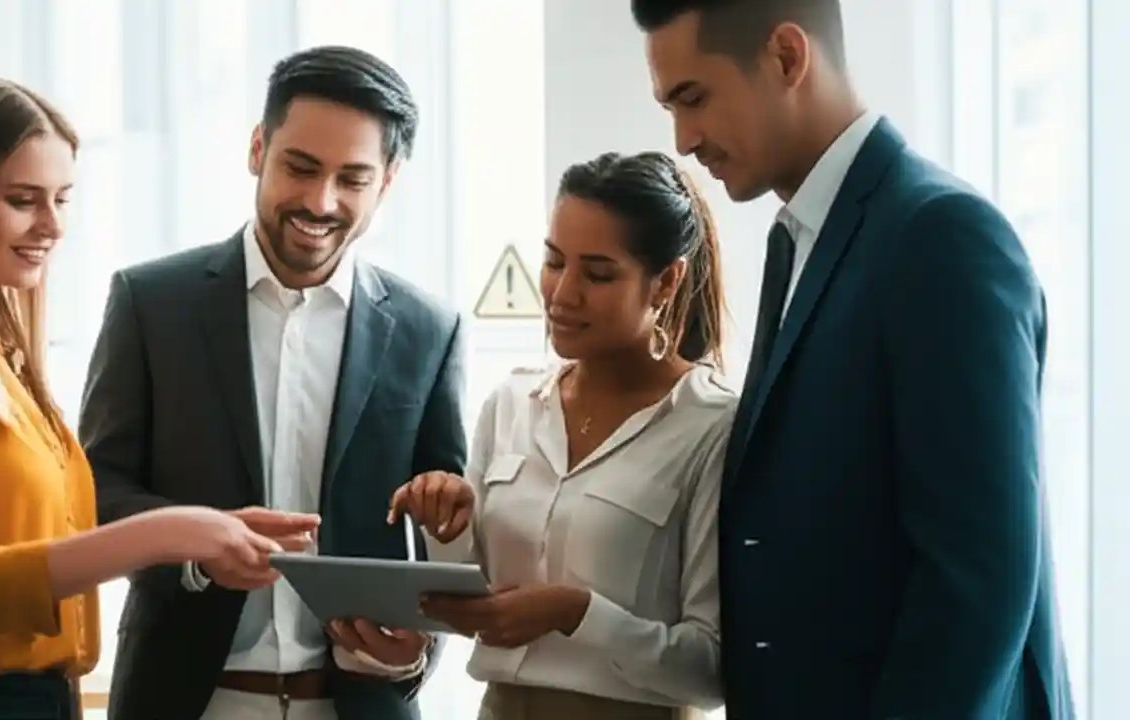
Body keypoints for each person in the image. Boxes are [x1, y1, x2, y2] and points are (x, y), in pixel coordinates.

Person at [629, 1, 1075, 718]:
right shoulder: (797, 239)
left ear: (786, 57)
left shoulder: (941, 236)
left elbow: (978, 582)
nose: (683, 140)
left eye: (693, 98)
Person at [0, 71, 319, 720]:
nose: (52, 226)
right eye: (23, 199)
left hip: (32, 699)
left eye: (62, 199)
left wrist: (202, 536)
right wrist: (172, 531)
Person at [78, 46, 467, 720]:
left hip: (359, 703)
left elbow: (445, 524)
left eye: (353, 178)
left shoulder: (430, 329)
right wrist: (200, 548)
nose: (321, 201)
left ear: (389, 180)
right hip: (185, 701)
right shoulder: (151, 303)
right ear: (258, 148)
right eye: (301, 167)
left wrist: (413, 652)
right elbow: (95, 491)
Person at [390, 151, 733, 720]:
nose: (562, 293)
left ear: (666, 280)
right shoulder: (511, 404)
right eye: (553, 262)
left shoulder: (710, 425)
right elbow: (470, 596)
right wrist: (444, 520)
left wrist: (575, 612)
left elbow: (711, 668)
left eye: (597, 274)